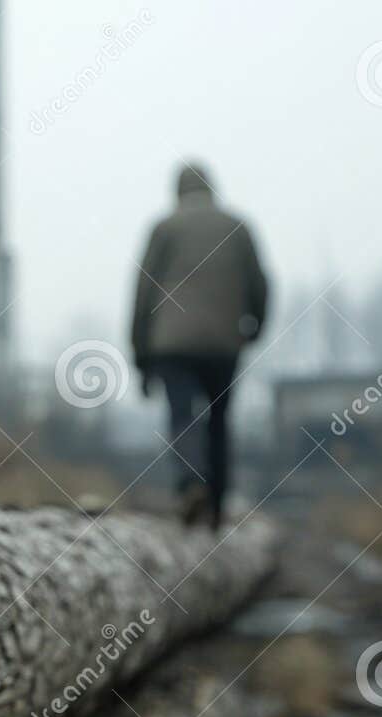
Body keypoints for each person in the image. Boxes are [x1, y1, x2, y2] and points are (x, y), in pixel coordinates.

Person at [131, 163, 268, 529]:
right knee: (219, 421)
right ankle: (217, 508)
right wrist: (255, 326)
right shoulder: (237, 227)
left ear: (177, 191)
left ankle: (190, 485)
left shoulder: (164, 228)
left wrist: (140, 356)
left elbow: (143, 292)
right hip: (223, 344)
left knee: (182, 415)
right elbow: (260, 282)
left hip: (171, 344)